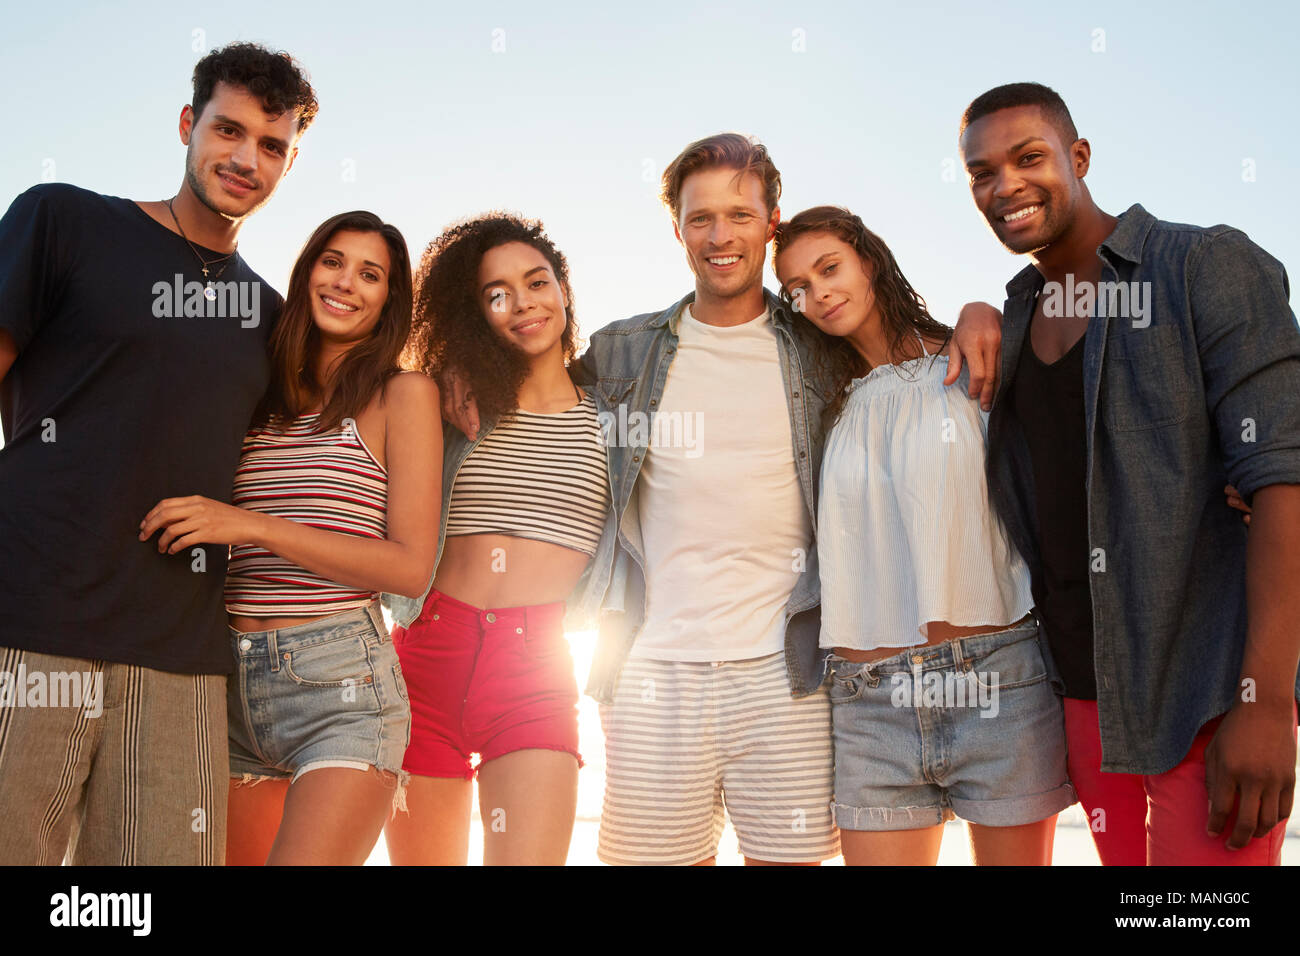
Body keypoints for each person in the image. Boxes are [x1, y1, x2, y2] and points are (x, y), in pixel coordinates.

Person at [951, 81, 1300, 864]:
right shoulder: (1014, 316)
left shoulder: (1201, 264)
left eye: (1029, 157)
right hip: (1077, 693)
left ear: (1078, 157)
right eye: (981, 172)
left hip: (1203, 690)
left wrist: (1268, 703)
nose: (1004, 185)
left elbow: (1284, 475)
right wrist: (974, 311)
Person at [0, 42, 316, 866]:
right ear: (188, 124)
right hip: (27, 625)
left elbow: (351, 421)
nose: (246, 158)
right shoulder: (64, 220)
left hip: (181, 660)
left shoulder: (272, 320)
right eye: (228, 129)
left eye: (273, 144)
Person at [772, 205, 1074, 865]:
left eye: (829, 268)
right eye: (797, 287)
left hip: (997, 678)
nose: (817, 292)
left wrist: (981, 310)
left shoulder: (978, 355)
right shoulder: (821, 403)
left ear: (868, 259)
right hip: (865, 696)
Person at [139, 211, 441, 865]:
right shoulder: (256, 394)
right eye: (333, 262)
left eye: (371, 274)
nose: (346, 283)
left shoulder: (402, 395)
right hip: (220, 677)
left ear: (389, 300)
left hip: (340, 684)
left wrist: (249, 525)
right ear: (306, 273)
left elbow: (411, 567)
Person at [382, 214, 613, 866]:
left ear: (563, 289)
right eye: (496, 294)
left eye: (537, 282)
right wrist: (441, 373)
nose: (523, 304)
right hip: (424, 659)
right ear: (474, 312)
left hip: (534, 668)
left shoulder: (615, 420)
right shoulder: (451, 407)